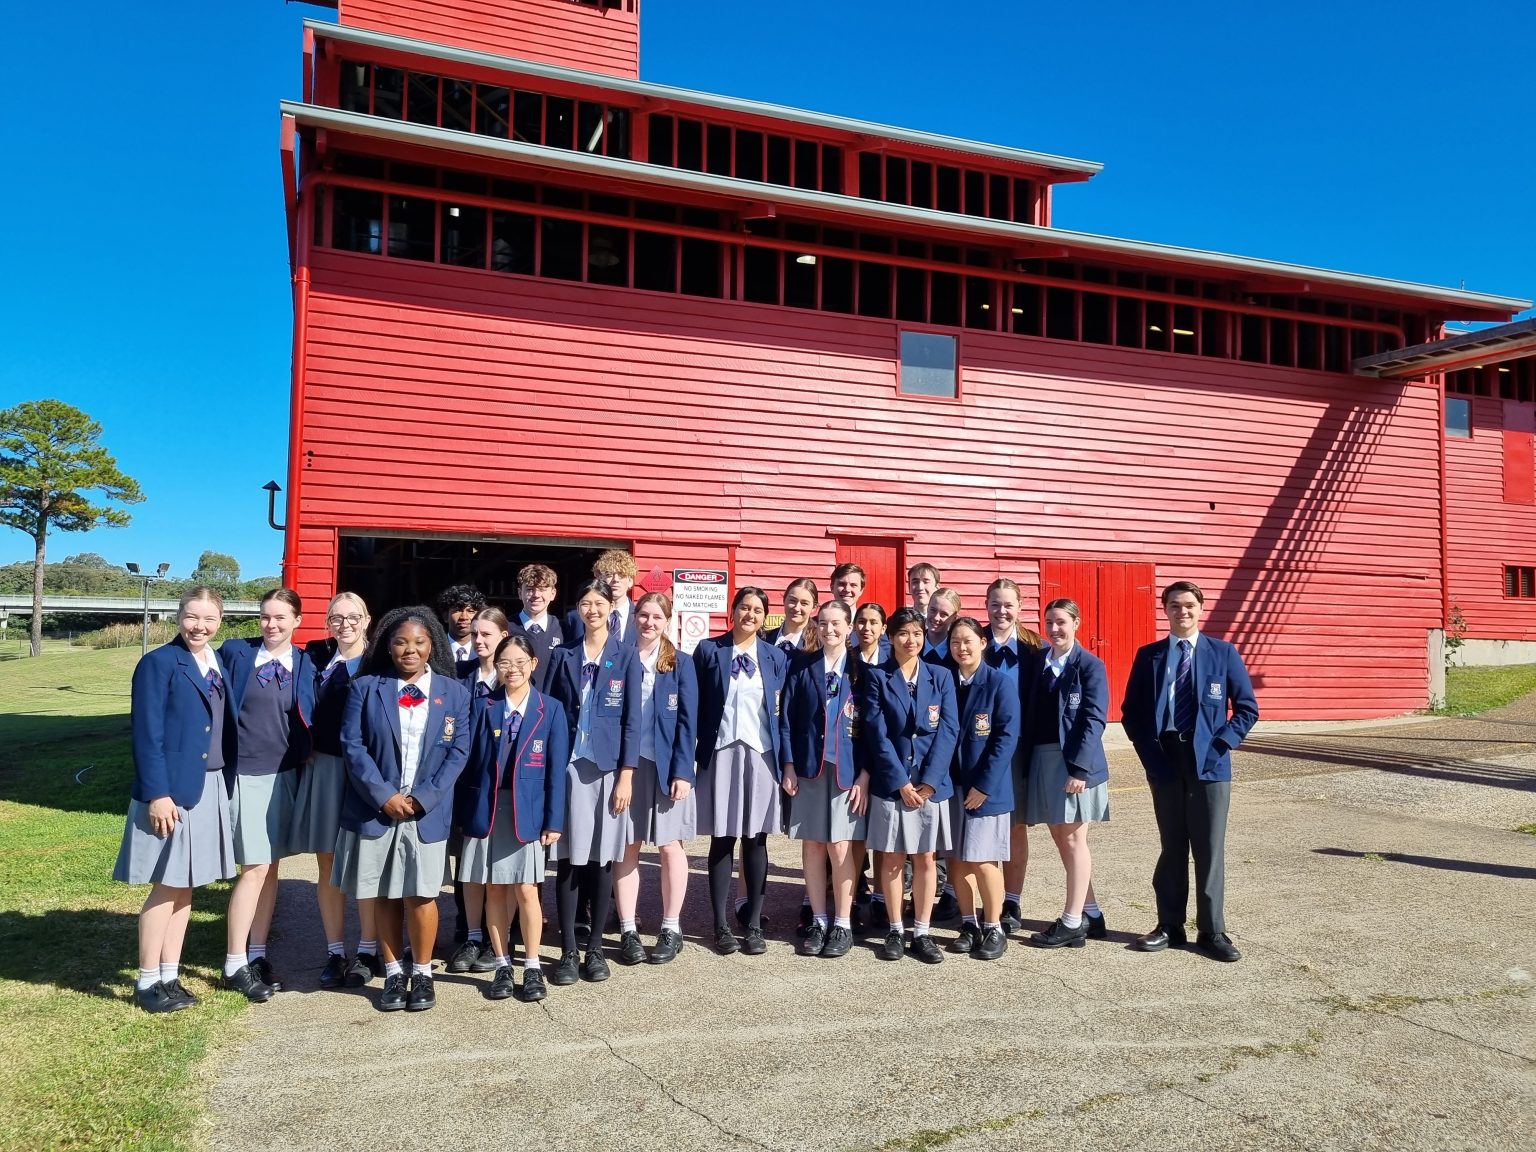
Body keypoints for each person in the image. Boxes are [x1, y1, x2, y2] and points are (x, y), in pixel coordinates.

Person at [336, 606, 472, 1012]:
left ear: (432, 645)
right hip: (378, 807)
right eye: (400, 642)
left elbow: (459, 752)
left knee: (421, 894)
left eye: (419, 642)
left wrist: (425, 797)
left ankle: (424, 973)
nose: (409, 650)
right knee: (385, 892)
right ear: (387, 646)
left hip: (426, 811)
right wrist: (383, 795)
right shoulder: (365, 688)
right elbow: (353, 746)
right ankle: (394, 972)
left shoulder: (455, 693)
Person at [114, 586, 238, 1012]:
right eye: (191, 617)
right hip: (171, 793)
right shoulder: (158, 663)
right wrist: (157, 794)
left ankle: (170, 974)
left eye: (208, 619)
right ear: (178, 615)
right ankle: (147, 981)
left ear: (219, 620)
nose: (199, 626)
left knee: (186, 889)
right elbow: (147, 735)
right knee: (165, 888)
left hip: (208, 788)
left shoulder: (216, 661)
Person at [1122, 581, 1259, 962]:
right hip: (1165, 759)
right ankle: (1169, 925)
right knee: (1172, 847)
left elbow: (1247, 708)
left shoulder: (1222, 653)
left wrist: (1221, 744)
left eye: (1188, 605)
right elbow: (1131, 713)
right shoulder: (1148, 656)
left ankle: (1212, 931)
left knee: (1209, 848)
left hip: (1210, 763)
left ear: (1200, 608)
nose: (1182, 612)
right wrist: (1151, 756)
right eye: (1174, 606)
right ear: (1163, 610)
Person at [456, 635, 568, 1002]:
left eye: (521, 662)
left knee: (526, 890)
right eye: (505, 662)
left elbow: (555, 771)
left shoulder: (550, 709)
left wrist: (553, 820)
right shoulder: (482, 706)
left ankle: (532, 965)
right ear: (496, 666)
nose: (513, 669)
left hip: (528, 814)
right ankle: (503, 964)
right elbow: (467, 763)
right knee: (495, 890)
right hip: (488, 810)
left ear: (534, 664)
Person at [218, 588, 316, 1001]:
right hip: (247, 774)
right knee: (254, 867)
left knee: (271, 867)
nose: (271, 625)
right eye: (264, 617)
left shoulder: (307, 663)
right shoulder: (237, 653)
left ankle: (257, 954)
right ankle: (234, 961)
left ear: (297, 620)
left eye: (280, 617)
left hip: (285, 776)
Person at [545, 580, 642, 985]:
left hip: (607, 772)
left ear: (611, 608)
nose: (592, 610)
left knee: (602, 860)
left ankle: (596, 948)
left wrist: (626, 776)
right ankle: (568, 949)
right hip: (569, 767)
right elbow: (548, 714)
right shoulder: (562, 655)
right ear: (578, 610)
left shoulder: (627, 657)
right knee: (569, 860)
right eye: (585, 603)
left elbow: (632, 722)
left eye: (599, 603)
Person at [693, 585, 789, 955]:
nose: (750, 615)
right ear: (733, 611)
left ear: (765, 618)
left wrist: (787, 764)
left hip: (762, 753)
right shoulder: (709, 650)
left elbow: (781, 714)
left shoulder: (775, 656)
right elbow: (696, 703)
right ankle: (719, 925)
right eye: (744, 607)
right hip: (721, 752)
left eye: (758, 610)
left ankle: (752, 924)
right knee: (722, 837)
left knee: (756, 838)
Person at [860, 606, 959, 964]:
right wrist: (901, 781)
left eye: (917, 633)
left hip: (932, 785)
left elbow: (949, 731)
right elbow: (876, 732)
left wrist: (930, 783)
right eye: (903, 633)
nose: (911, 639)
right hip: (892, 783)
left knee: (926, 858)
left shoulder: (940, 676)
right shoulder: (876, 676)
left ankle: (922, 930)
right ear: (891, 637)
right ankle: (895, 930)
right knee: (891, 858)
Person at [294, 592, 377, 990]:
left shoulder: (380, 663)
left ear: (367, 620)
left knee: (365, 863)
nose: (345, 625)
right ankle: (334, 951)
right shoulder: (316, 661)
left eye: (353, 617)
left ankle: (368, 949)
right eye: (336, 618)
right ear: (327, 622)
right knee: (327, 864)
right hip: (325, 768)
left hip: (364, 774)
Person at [612, 593, 699, 965]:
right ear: (634, 618)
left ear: (668, 620)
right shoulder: (619, 657)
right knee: (628, 846)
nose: (649, 622)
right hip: (629, 767)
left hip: (666, 767)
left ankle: (670, 926)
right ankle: (628, 927)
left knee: (669, 847)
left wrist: (683, 770)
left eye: (656, 617)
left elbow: (687, 722)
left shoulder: (680, 663)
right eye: (643, 615)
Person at [779, 600, 868, 959]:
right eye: (824, 623)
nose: (829, 630)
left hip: (847, 772)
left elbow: (875, 730)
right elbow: (786, 719)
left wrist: (866, 774)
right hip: (809, 768)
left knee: (841, 846)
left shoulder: (863, 671)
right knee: (814, 844)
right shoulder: (801, 666)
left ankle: (842, 922)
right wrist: (788, 765)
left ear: (849, 628)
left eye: (837, 624)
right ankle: (817, 918)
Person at [1022, 599, 1111, 949]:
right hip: (1043, 758)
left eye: (1061, 622)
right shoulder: (1039, 663)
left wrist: (1079, 769)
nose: (1054, 628)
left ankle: (1072, 921)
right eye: (1049, 622)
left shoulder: (1090, 665)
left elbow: (1093, 719)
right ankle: (1092, 913)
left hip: (1075, 763)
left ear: (1076, 623)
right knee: (1061, 837)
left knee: (1074, 839)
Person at [943, 616, 1017, 960]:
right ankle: (969, 923)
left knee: (984, 861)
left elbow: (1005, 737)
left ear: (983, 643)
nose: (961, 648)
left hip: (986, 790)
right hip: (952, 786)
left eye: (968, 641)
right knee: (957, 860)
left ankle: (994, 926)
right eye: (955, 642)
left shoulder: (999, 684)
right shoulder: (945, 680)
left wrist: (984, 786)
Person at [448, 607, 514, 976]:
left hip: (503, 789)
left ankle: (498, 938)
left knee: (499, 870)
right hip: (466, 785)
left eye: (487, 634)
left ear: (503, 636)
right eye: (475, 635)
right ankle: (470, 934)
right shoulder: (459, 677)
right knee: (468, 866)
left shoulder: (515, 680)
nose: (479, 641)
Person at [985, 577, 1043, 933]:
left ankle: (1012, 900)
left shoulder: (1036, 650)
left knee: (1016, 826)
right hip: (980, 747)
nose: (1001, 611)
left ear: (1019, 608)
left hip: (1021, 748)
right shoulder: (972, 643)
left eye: (1008, 604)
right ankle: (983, 900)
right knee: (983, 824)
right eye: (995, 604)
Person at [565, 550, 639, 645]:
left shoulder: (642, 617)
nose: (615, 580)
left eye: (621, 575)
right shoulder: (576, 618)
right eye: (609, 574)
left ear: (630, 581)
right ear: (599, 579)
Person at [516, 563, 565, 689]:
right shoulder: (505, 628)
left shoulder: (564, 629)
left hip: (552, 704)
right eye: (530, 589)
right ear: (520, 593)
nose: (536, 595)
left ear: (553, 594)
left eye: (542, 589)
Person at [436, 584, 487, 676]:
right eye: (457, 610)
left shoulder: (487, 650)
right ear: (445, 616)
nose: (464, 617)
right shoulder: (434, 650)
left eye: (470, 611)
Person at [764, 578, 820, 655]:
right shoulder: (765, 639)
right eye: (792, 601)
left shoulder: (820, 642)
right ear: (784, 600)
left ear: (814, 607)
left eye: (804, 603)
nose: (796, 608)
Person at [922, 588, 962, 663]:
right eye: (933, 610)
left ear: (954, 618)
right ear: (927, 608)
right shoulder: (913, 645)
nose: (936, 618)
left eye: (944, 614)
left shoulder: (958, 653)